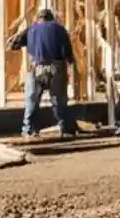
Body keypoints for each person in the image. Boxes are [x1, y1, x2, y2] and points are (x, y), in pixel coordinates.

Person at [11, 8, 76, 138]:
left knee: (32, 100)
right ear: (52, 18)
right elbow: (67, 52)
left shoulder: (31, 29)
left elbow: (14, 45)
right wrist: (70, 62)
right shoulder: (60, 29)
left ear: (38, 18)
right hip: (56, 67)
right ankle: (65, 129)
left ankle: (28, 130)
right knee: (59, 100)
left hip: (36, 67)